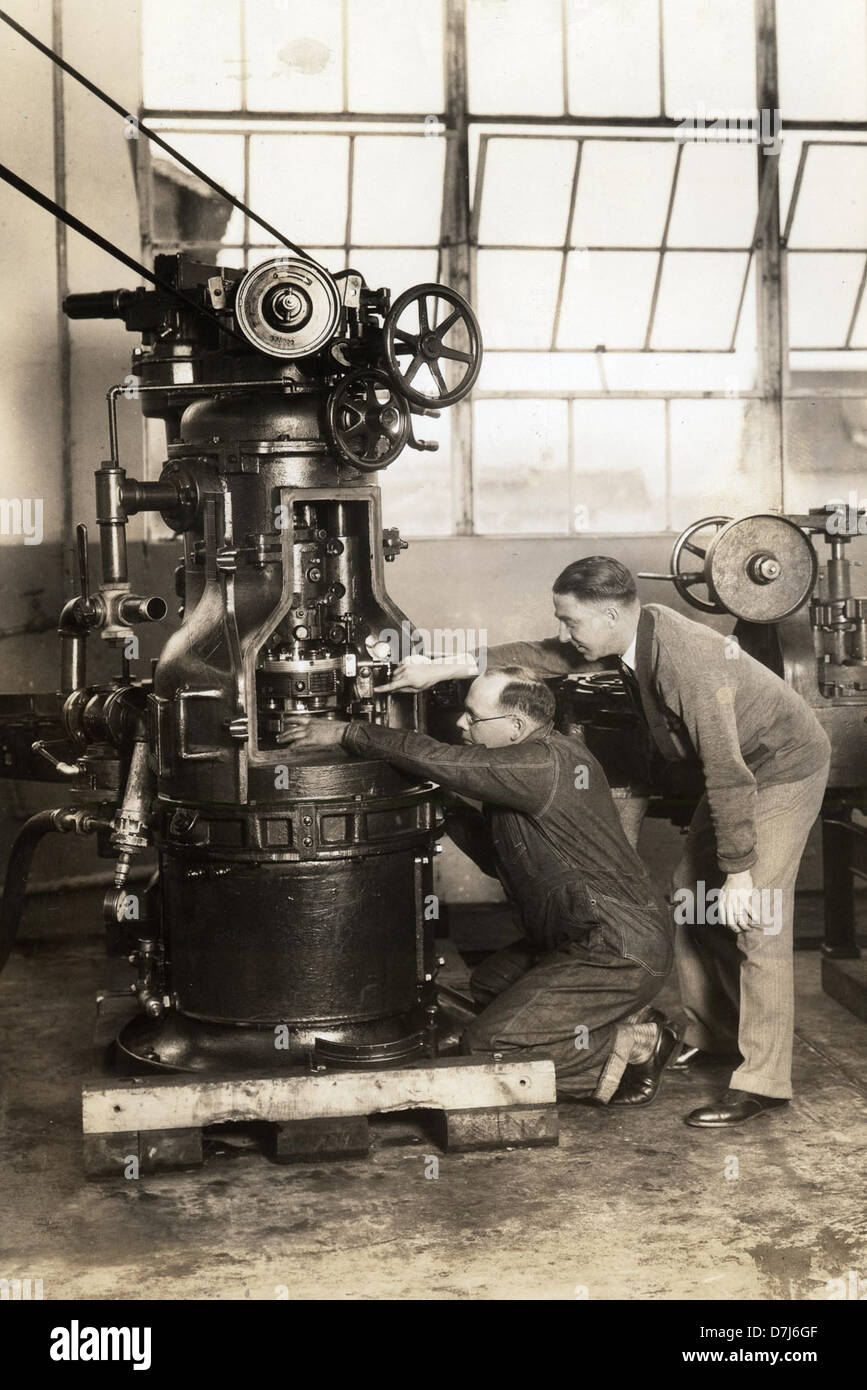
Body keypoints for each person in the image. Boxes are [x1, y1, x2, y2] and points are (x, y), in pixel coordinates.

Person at [380, 557, 832, 1127]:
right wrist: (443, 667)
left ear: (613, 612)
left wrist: (740, 874)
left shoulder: (688, 660)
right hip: (743, 766)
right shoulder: (626, 637)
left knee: (754, 915)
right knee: (688, 892)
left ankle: (763, 1081)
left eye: (571, 622)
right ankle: (710, 1035)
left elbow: (726, 770)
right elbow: (544, 654)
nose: (566, 634)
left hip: (780, 765)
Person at [280, 666, 678, 1107]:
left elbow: (449, 761)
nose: (460, 724)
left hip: (617, 946)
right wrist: (444, 806)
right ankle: (613, 1015)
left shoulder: (547, 761)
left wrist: (349, 733)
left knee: (489, 1046)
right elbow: (501, 863)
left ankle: (636, 1044)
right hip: (578, 937)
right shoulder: (521, 771)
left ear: (516, 727)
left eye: (473, 717)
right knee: (491, 988)